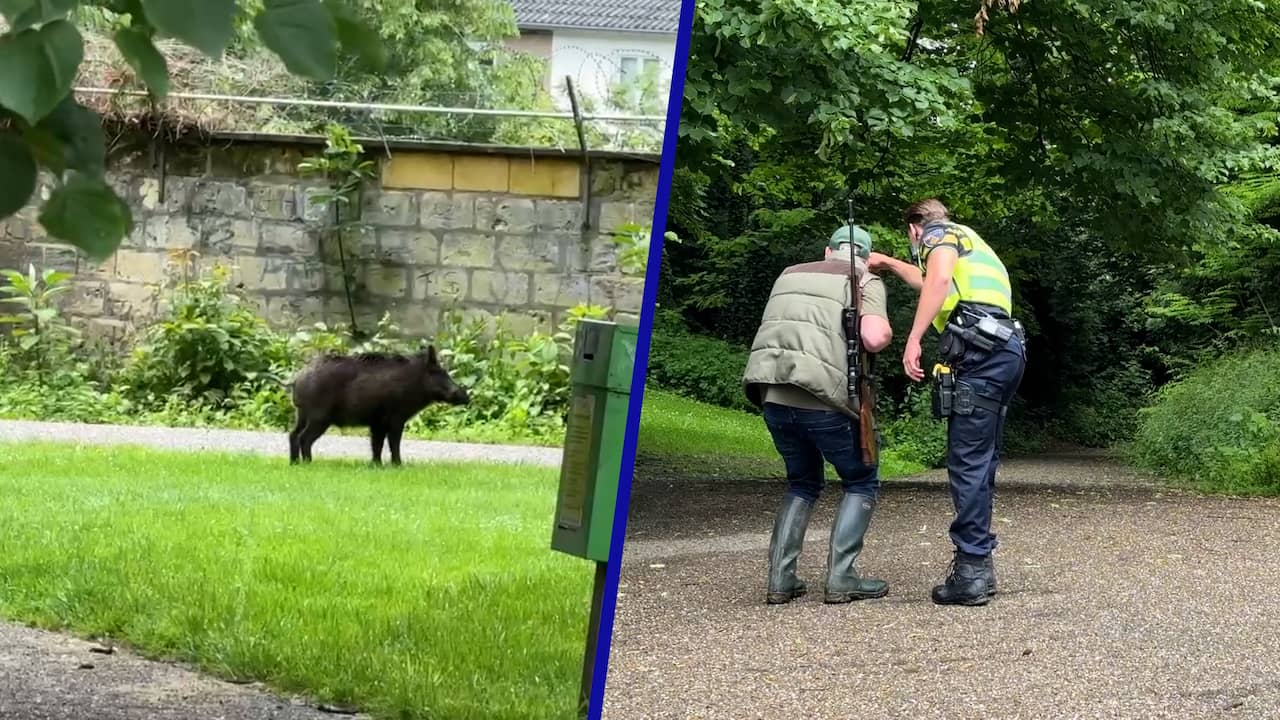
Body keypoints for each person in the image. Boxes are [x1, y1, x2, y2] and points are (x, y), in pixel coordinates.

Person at [867, 198, 1026, 606]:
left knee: (966, 461)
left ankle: (971, 572)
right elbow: (931, 281)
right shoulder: (971, 242)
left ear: (914, 229)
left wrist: (914, 339)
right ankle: (981, 568)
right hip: (1005, 351)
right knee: (982, 459)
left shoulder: (938, 234)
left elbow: (936, 283)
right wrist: (887, 262)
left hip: (978, 354)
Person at [742, 223, 894, 605]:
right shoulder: (865, 280)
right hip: (826, 399)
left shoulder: (789, 274)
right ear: (866, 256)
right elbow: (875, 337)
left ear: (828, 251)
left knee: (802, 483)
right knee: (861, 480)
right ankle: (842, 577)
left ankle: (781, 580)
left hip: (773, 394)